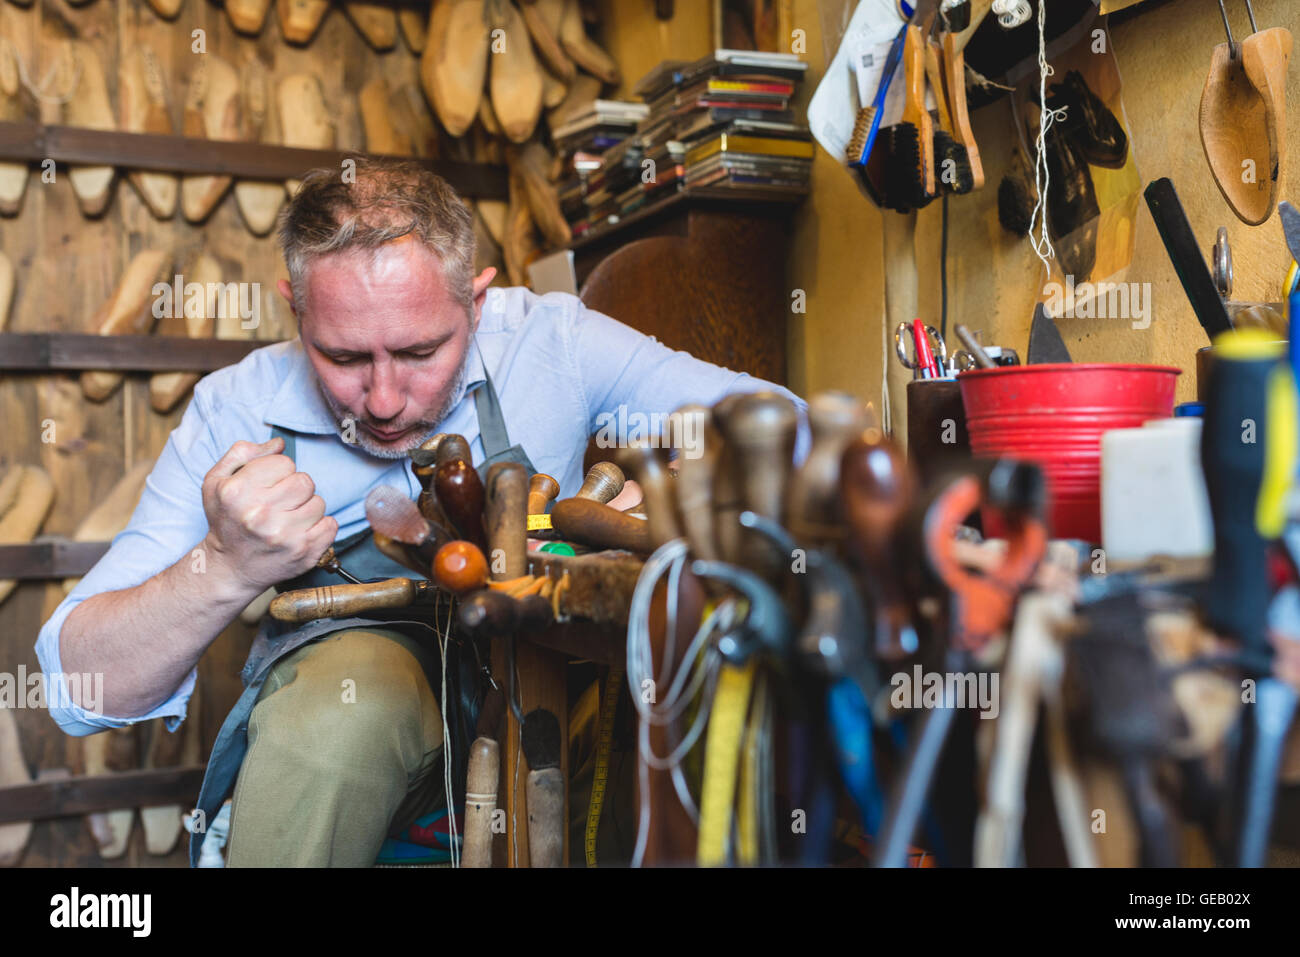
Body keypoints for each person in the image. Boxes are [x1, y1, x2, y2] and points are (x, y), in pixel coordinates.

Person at [36, 156, 805, 867]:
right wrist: (224, 565)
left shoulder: (551, 342)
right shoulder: (238, 409)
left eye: (417, 352)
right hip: (358, 719)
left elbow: (791, 429)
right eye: (342, 357)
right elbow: (78, 688)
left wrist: (682, 490)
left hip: (548, 689)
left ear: (476, 298)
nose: (382, 399)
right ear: (293, 308)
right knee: (342, 719)